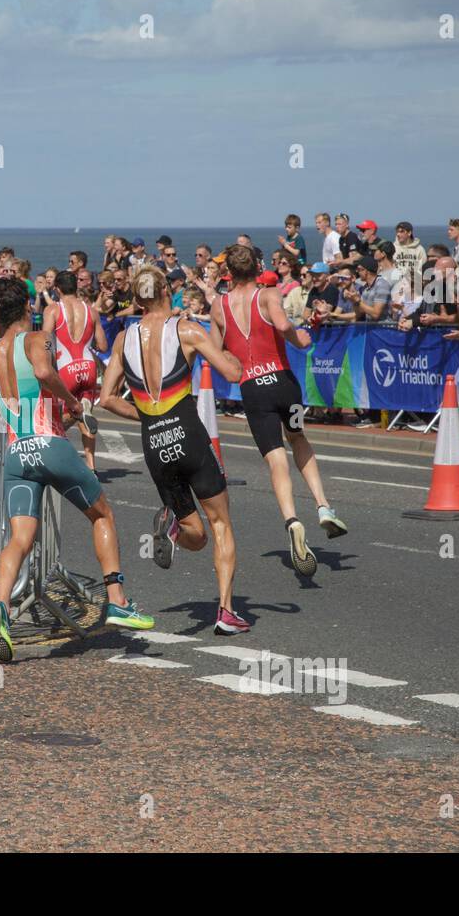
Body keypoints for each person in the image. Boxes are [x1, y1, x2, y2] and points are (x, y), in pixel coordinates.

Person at [0, 277, 154, 661]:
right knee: (102, 513)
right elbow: (42, 374)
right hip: (48, 445)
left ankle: (0, 606)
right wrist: (72, 403)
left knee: (20, 538)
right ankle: (117, 599)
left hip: (16, 454)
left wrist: (9, 409)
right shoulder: (39, 338)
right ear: (26, 307)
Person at [99, 266, 248, 633]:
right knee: (220, 524)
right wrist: (234, 349)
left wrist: (149, 417)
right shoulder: (187, 329)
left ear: (136, 299)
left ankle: (174, 532)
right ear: (168, 291)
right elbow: (231, 373)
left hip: (154, 443)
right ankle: (226, 612)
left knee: (193, 530)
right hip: (189, 437)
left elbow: (106, 399)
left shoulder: (124, 339)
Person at [212, 244, 348, 576]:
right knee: (299, 439)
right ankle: (323, 506)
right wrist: (303, 338)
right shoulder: (268, 294)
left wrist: (237, 365)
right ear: (258, 268)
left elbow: (216, 352)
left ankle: (291, 519)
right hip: (285, 385)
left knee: (275, 458)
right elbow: (284, 326)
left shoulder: (219, 305)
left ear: (229, 271)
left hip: (253, 389)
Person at [43, 269, 107, 470]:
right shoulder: (91, 310)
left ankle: (53, 462)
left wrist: (46, 358)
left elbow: (45, 340)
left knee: (55, 420)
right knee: (85, 410)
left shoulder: (53, 309)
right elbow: (103, 346)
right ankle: (91, 466)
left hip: (66, 369)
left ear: (57, 289)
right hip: (88, 367)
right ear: (76, 286)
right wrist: (88, 349)